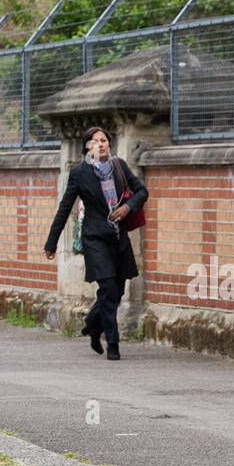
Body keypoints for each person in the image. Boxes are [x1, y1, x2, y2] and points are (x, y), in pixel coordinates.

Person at [44, 126, 148, 361]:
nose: (101, 144)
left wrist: (127, 207)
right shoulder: (80, 173)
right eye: (95, 141)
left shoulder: (119, 166)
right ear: (88, 148)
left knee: (117, 291)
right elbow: (64, 208)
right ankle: (113, 343)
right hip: (94, 239)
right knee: (109, 288)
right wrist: (52, 242)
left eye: (104, 140)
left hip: (118, 238)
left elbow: (142, 192)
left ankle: (92, 324)